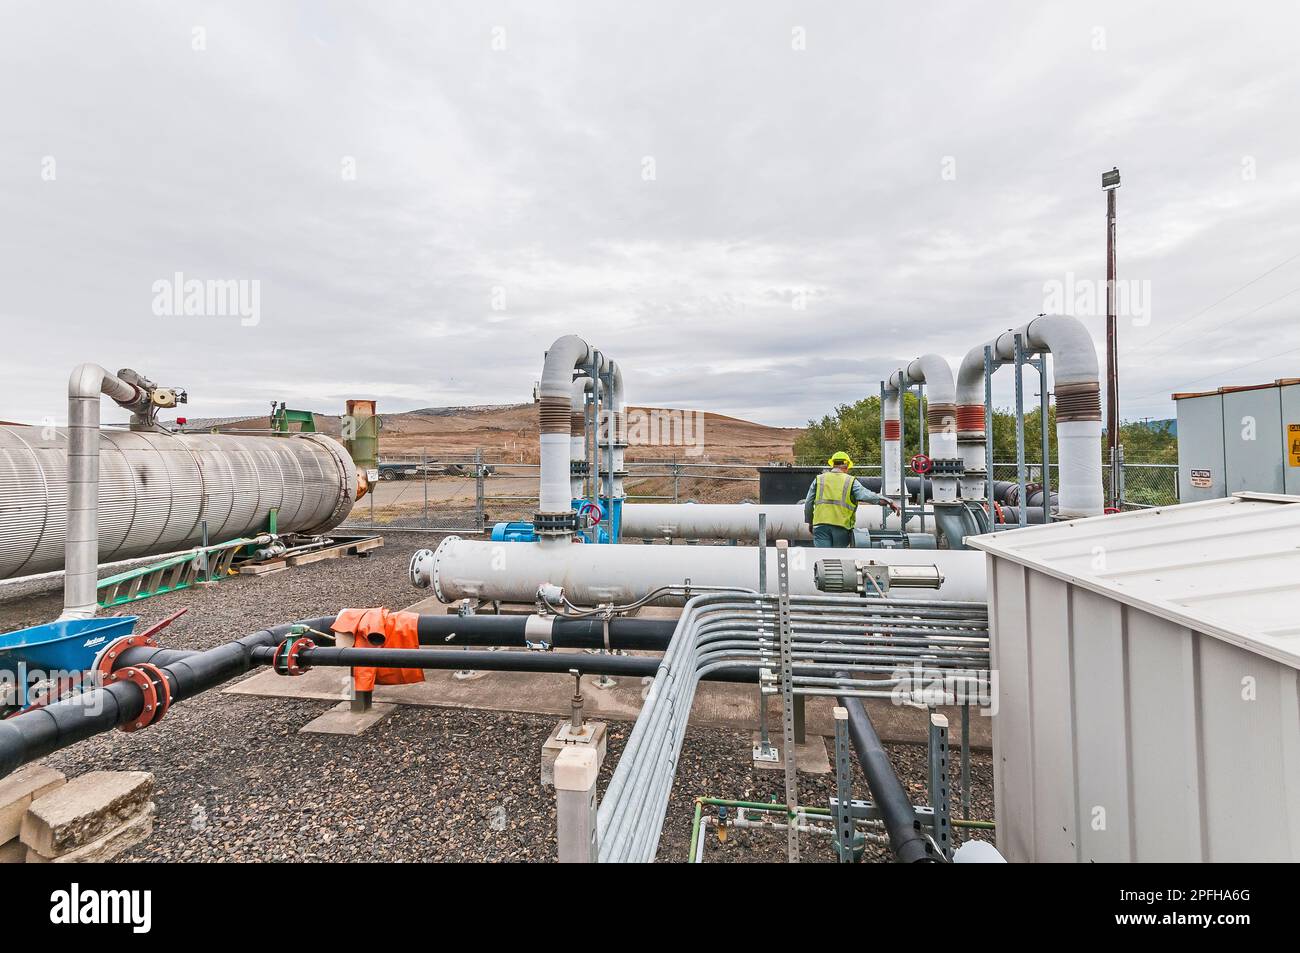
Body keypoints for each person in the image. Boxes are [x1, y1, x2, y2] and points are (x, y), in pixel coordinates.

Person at [804, 451, 900, 548]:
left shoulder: (819, 479)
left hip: (820, 526)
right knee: (838, 559)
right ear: (846, 465)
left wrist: (810, 522)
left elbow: (808, 503)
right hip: (841, 527)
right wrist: (889, 501)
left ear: (833, 464)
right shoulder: (850, 481)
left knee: (822, 559)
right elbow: (868, 496)